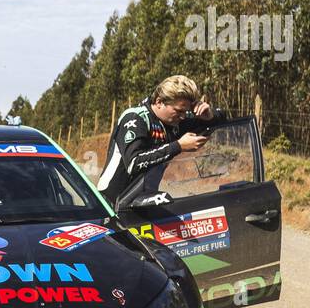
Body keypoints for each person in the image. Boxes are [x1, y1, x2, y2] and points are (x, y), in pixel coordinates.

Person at [97, 75, 227, 208]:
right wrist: (178, 146)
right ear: (159, 102)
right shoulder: (135, 118)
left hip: (142, 201)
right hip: (111, 204)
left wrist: (209, 116)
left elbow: (222, 120)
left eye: (186, 111)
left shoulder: (174, 121)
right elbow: (134, 162)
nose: (183, 116)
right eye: (179, 111)